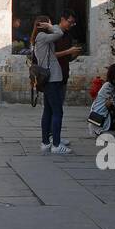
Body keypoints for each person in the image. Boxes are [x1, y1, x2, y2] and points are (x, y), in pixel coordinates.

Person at [31, 15, 79, 155]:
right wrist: (50, 27)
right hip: (52, 79)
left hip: (49, 78)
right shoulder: (42, 36)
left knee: (48, 111)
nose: (52, 25)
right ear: (44, 25)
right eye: (50, 23)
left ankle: (46, 142)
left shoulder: (40, 38)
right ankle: (56, 145)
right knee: (57, 111)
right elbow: (59, 33)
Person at [89, 64, 115, 136]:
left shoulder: (113, 85)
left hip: (104, 116)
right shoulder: (108, 86)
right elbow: (113, 103)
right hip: (99, 119)